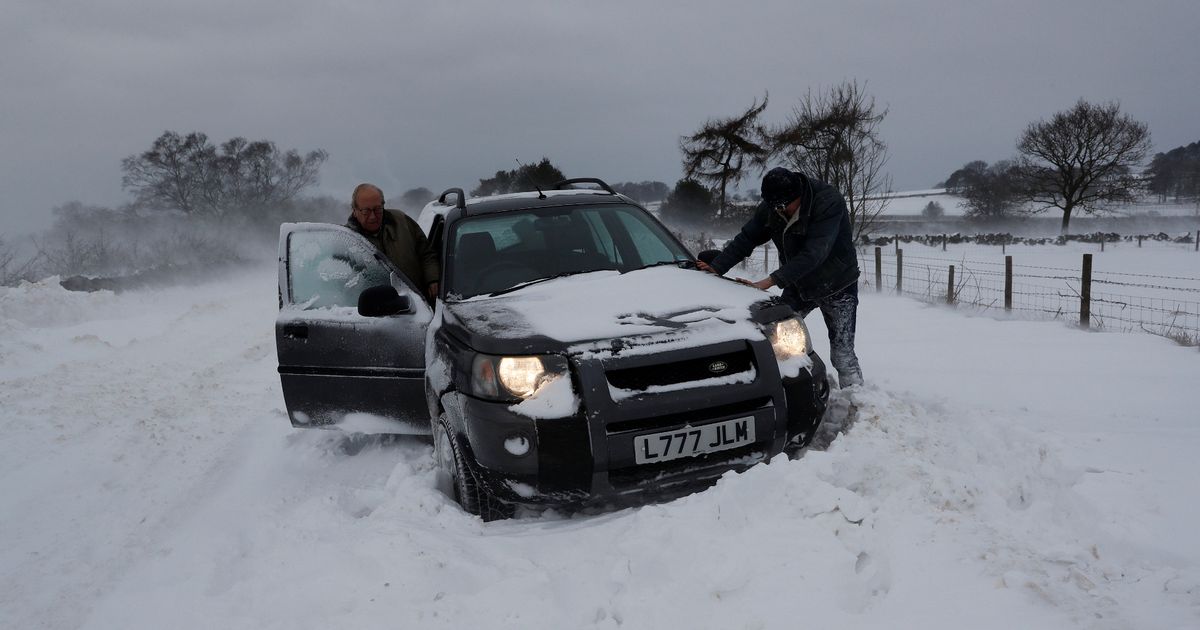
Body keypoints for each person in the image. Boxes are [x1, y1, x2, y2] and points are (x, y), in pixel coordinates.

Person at [698, 167, 864, 387]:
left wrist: (769, 281)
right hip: (799, 284)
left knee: (842, 354)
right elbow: (747, 238)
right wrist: (717, 267)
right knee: (777, 341)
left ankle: (857, 402)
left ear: (799, 195)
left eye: (785, 205)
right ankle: (790, 392)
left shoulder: (827, 201)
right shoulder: (773, 206)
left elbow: (814, 253)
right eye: (775, 206)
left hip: (837, 283)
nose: (781, 210)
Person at [346, 183, 440, 300]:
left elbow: (427, 254)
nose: (373, 217)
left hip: (421, 308)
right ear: (354, 211)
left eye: (377, 209)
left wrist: (432, 279)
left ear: (383, 205)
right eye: (366, 211)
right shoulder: (347, 241)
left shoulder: (402, 222)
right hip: (375, 315)